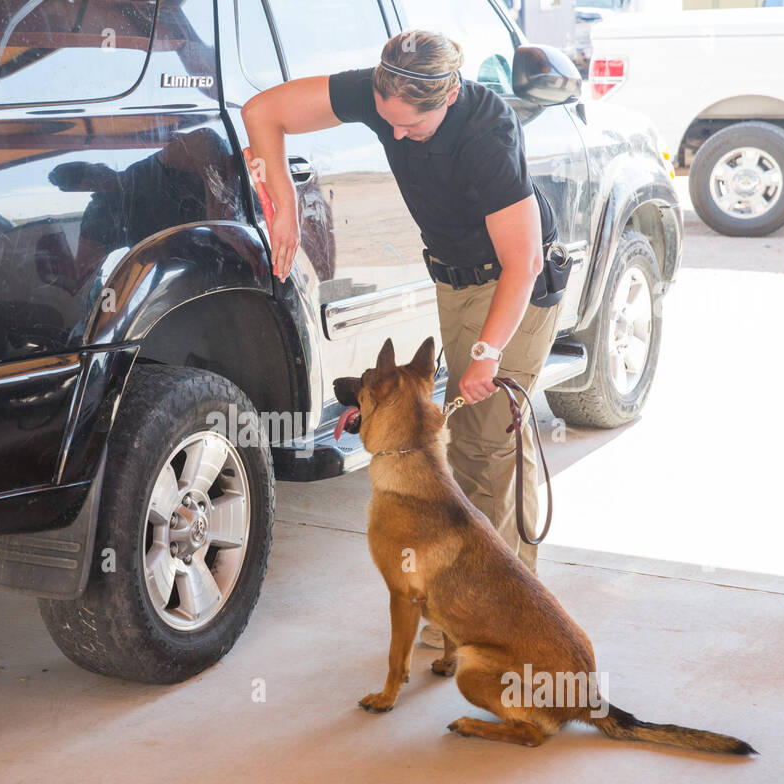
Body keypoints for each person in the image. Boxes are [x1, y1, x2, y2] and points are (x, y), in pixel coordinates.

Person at [241, 30, 564, 620]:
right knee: (468, 452)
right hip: (453, 278)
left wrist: (488, 354)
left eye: (411, 127)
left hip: (510, 285)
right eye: (386, 122)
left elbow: (526, 261)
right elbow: (263, 112)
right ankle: (474, 600)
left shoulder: (486, 133)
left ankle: (496, 613)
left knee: (484, 452)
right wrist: (281, 199)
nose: (396, 135)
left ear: (447, 97)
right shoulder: (382, 92)